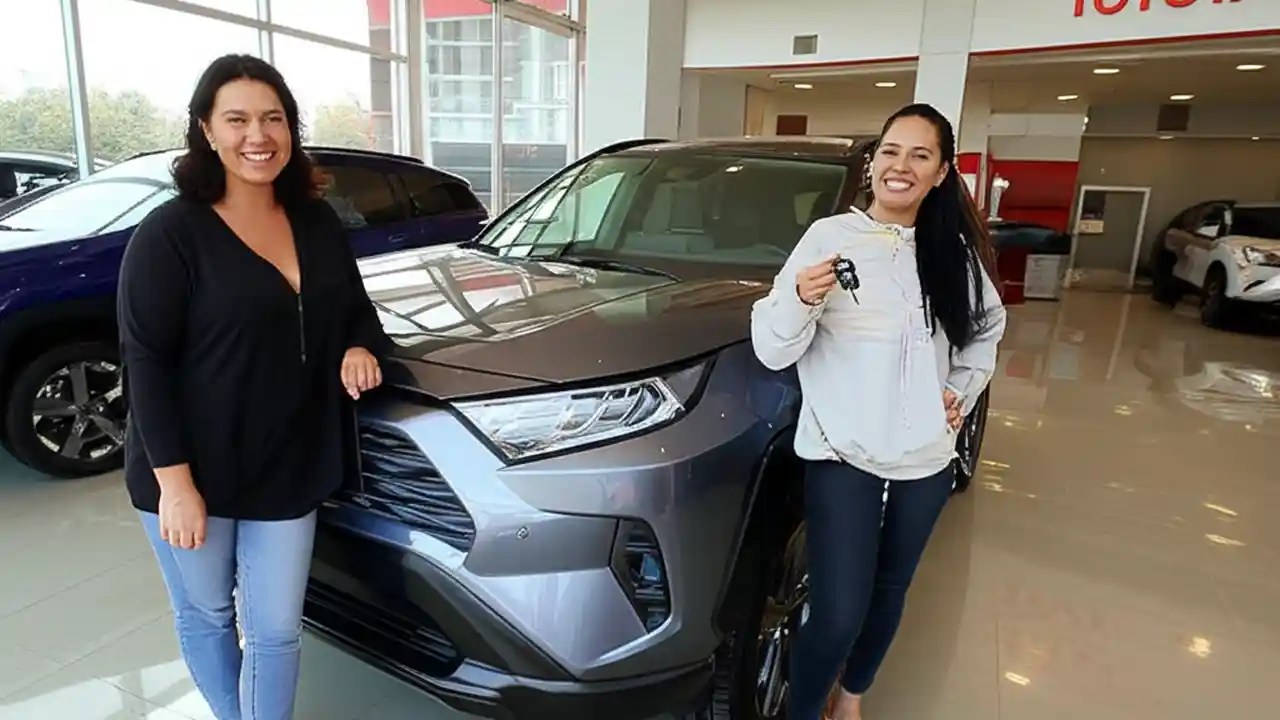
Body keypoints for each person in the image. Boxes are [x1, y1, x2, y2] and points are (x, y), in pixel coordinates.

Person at [117, 54, 387, 720]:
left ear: (291, 129)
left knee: (276, 630)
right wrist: (176, 486)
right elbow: (145, 363)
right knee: (207, 613)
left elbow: (355, 310)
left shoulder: (316, 222)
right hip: (191, 469)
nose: (257, 135)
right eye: (236, 119)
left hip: (289, 463)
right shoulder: (170, 234)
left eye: (273, 118)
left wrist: (358, 345)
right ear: (206, 129)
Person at [750, 103, 1007, 720]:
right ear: (873, 164)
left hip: (925, 457)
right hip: (843, 451)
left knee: (890, 591)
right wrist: (799, 298)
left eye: (921, 156)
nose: (901, 166)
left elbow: (987, 326)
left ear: (940, 173)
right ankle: (803, 711)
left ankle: (852, 696)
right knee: (839, 611)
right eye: (891, 151)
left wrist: (961, 389)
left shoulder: (951, 253)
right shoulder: (829, 239)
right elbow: (772, 347)